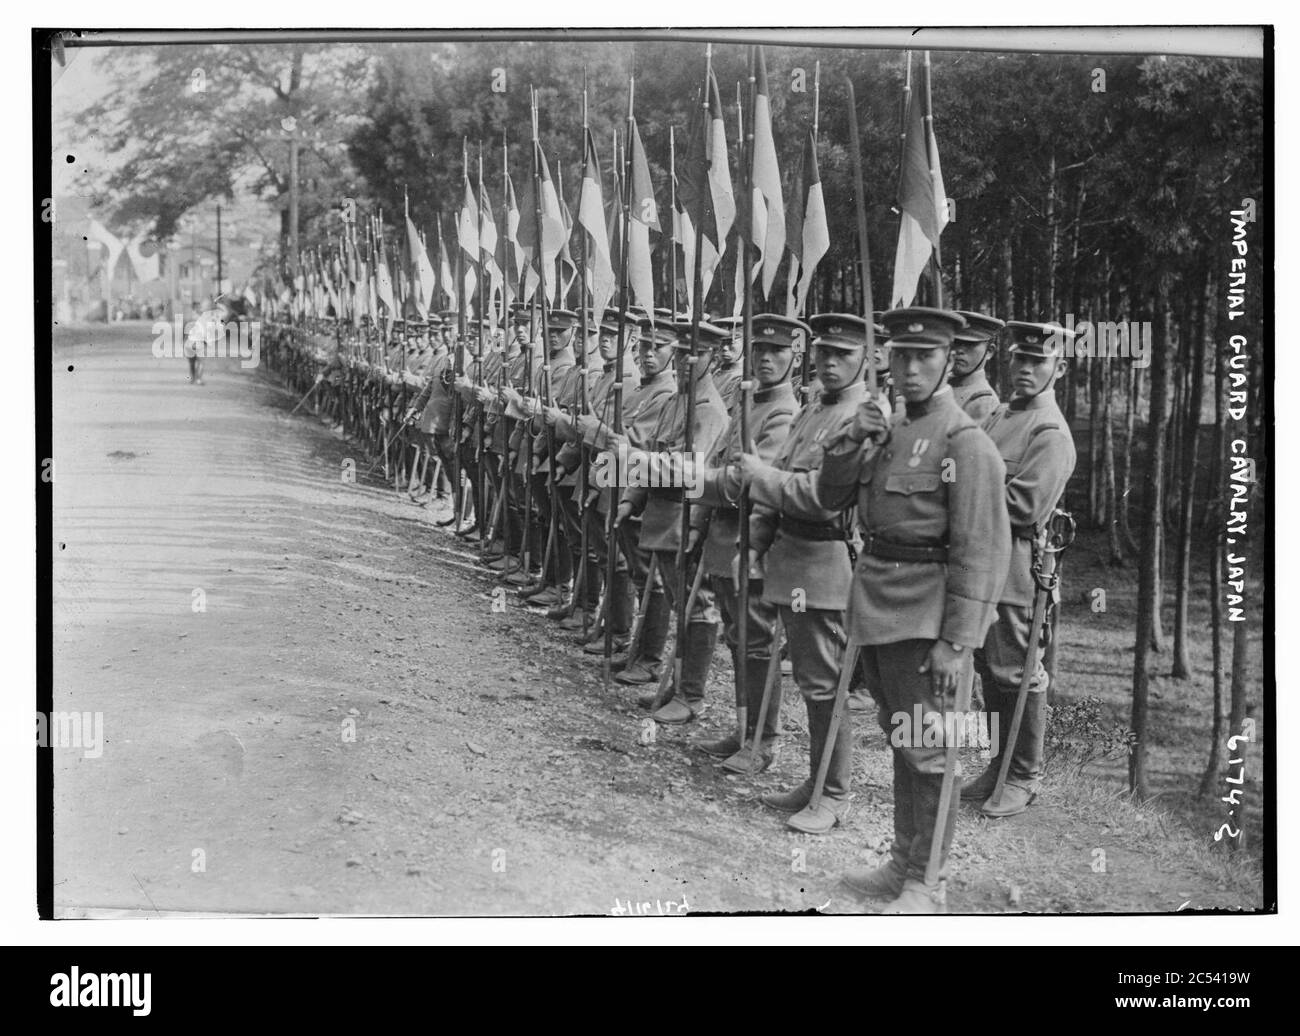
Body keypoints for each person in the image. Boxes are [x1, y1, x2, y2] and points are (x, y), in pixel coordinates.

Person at [817, 306, 1010, 913]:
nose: (909, 368)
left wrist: (959, 642)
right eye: (900, 356)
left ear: (949, 361)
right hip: (876, 603)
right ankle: (903, 862)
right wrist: (852, 437)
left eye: (923, 357)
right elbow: (829, 496)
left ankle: (929, 881)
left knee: (932, 748)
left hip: (928, 614)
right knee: (904, 739)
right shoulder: (889, 428)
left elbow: (983, 549)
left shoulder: (967, 443)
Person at [737, 314, 871, 831]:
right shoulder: (815, 408)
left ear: (863, 358)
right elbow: (782, 481)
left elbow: (818, 499)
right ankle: (816, 781)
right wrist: (756, 543)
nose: (831, 363)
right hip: (790, 556)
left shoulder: (859, 418)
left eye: (843, 355)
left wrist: (762, 479)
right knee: (814, 683)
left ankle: (833, 793)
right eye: (824, 354)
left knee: (825, 685)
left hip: (827, 560)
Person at [961, 321, 1078, 818]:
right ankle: (997, 764)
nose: (1026, 369)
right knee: (989, 669)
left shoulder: (1050, 433)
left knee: (1019, 672)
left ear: (1060, 368)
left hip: (1016, 566)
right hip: (981, 561)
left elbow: (1022, 506)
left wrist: (962, 497)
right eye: (1020, 359)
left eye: (1039, 362)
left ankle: (1024, 775)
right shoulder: (999, 416)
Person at [693, 314, 803, 772]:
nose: (765, 358)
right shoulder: (746, 402)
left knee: (757, 643)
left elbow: (747, 482)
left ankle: (763, 741)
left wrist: (695, 481)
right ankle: (744, 729)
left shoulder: (782, 413)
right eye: (759, 350)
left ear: (795, 357)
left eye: (777, 351)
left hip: (753, 540)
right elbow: (726, 462)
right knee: (739, 641)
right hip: (724, 536)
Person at [615, 319, 730, 720]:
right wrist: (632, 498)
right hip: (662, 515)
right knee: (681, 603)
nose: (682, 362)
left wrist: (635, 460)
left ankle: (690, 695)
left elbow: (688, 469)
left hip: (685, 514)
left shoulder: (708, 410)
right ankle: (674, 686)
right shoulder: (674, 402)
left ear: (712, 359)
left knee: (696, 607)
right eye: (679, 354)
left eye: (691, 356)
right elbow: (650, 449)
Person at [586, 316, 677, 683]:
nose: (649, 354)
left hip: (644, 490)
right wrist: (601, 483)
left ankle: (649, 656)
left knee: (647, 576)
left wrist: (594, 434)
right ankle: (632, 644)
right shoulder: (640, 388)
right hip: (622, 486)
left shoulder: (664, 393)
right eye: (644, 346)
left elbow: (633, 443)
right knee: (633, 571)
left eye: (659, 348)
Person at [948, 310, 1005, 421]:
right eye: (955, 342)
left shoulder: (983, 402)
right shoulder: (942, 384)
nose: (959, 350)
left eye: (970, 344)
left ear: (989, 351)